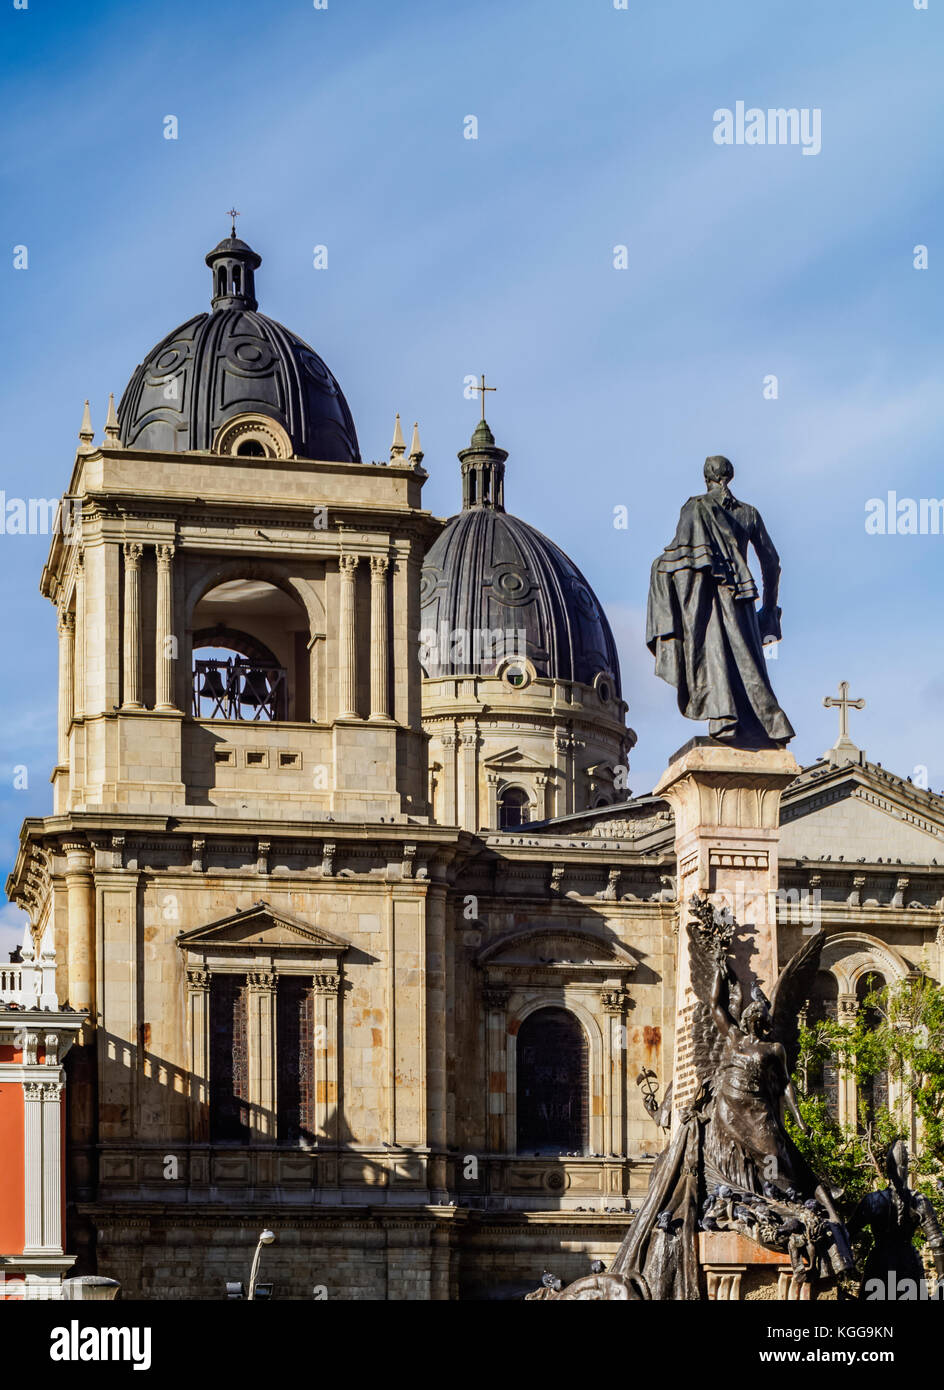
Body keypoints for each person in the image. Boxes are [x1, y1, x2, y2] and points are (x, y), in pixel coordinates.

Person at [647, 455, 795, 747]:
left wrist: (660, 570)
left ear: (706, 478)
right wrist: (768, 608)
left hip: (708, 601)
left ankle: (725, 717)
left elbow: (679, 559)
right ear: (730, 476)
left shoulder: (695, 507)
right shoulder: (749, 513)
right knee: (748, 662)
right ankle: (769, 723)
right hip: (742, 597)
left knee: (715, 656)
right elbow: (772, 563)